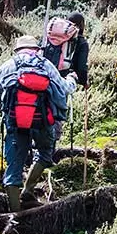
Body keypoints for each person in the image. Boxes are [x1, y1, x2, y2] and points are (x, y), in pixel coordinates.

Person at [0, 35, 72, 211]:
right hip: (42, 122)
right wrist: (73, 80)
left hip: (15, 123)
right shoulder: (46, 64)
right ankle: (28, 190)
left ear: (17, 50)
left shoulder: (8, 65)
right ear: (36, 49)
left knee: (14, 167)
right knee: (45, 153)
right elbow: (64, 89)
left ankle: (15, 215)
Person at [43, 12, 91, 147]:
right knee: (56, 115)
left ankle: (35, 152)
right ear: (82, 25)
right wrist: (84, 81)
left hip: (41, 79)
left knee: (40, 113)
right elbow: (81, 67)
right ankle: (48, 154)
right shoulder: (80, 42)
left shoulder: (52, 36)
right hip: (62, 81)